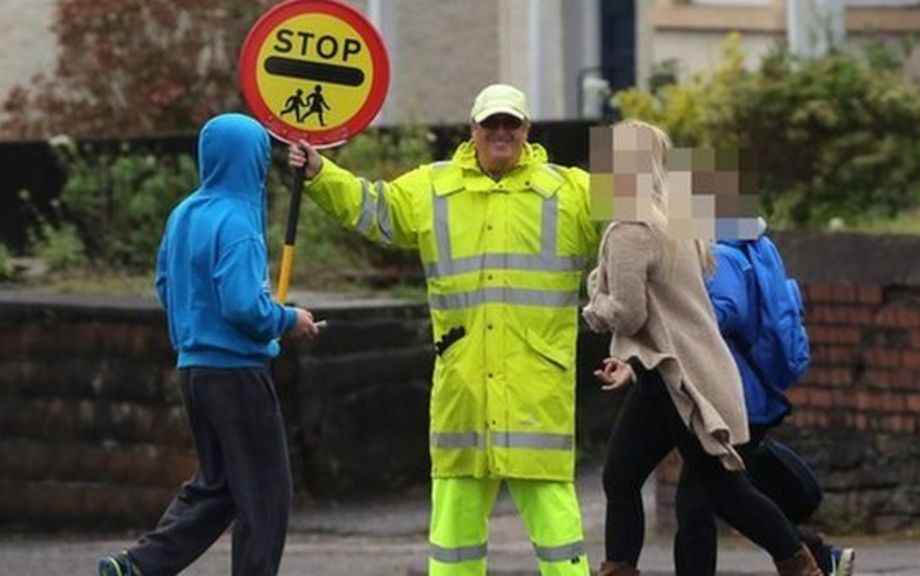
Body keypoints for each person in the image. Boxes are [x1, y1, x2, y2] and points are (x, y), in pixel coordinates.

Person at [288, 84, 598, 576]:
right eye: (490, 124)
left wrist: (727, 202)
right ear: (472, 130)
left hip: (533, 393)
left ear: (527, 131)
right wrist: (321, 173)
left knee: (559, 537)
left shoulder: (571, 191)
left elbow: (650, 218)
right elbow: (373, 208)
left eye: (510, 124)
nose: (500, 133)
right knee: (454, 538)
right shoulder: (433, 187)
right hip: (465, 390)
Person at [583, 120, 823, 576]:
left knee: (724, 489)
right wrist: (633, 366)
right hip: (672, 375)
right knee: (621, 475)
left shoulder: (630, 229)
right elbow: (667, 314)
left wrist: (594, 308)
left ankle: (803, 562)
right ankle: (618, 567)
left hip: (683, 382)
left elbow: (629, 313)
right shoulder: (678, 224)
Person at [98, 113, 320, 576]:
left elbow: (165, 283)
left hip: (193, 370)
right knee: (266, 495)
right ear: (252, 159)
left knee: (219, 487)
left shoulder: (185, 213)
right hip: (237, 373)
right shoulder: (239, 220)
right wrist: (286, 319)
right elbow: (243, 305)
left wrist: (197, 327)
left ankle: (137, 566)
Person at [671, 232, 855, 576]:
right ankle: (815, 554)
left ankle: (812, 555)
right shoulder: (755, 245)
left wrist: (673, 302)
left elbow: (728, 310)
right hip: (746, 394)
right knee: (717, 494)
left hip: (735, 395)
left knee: (701, 500)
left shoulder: (723, 253)